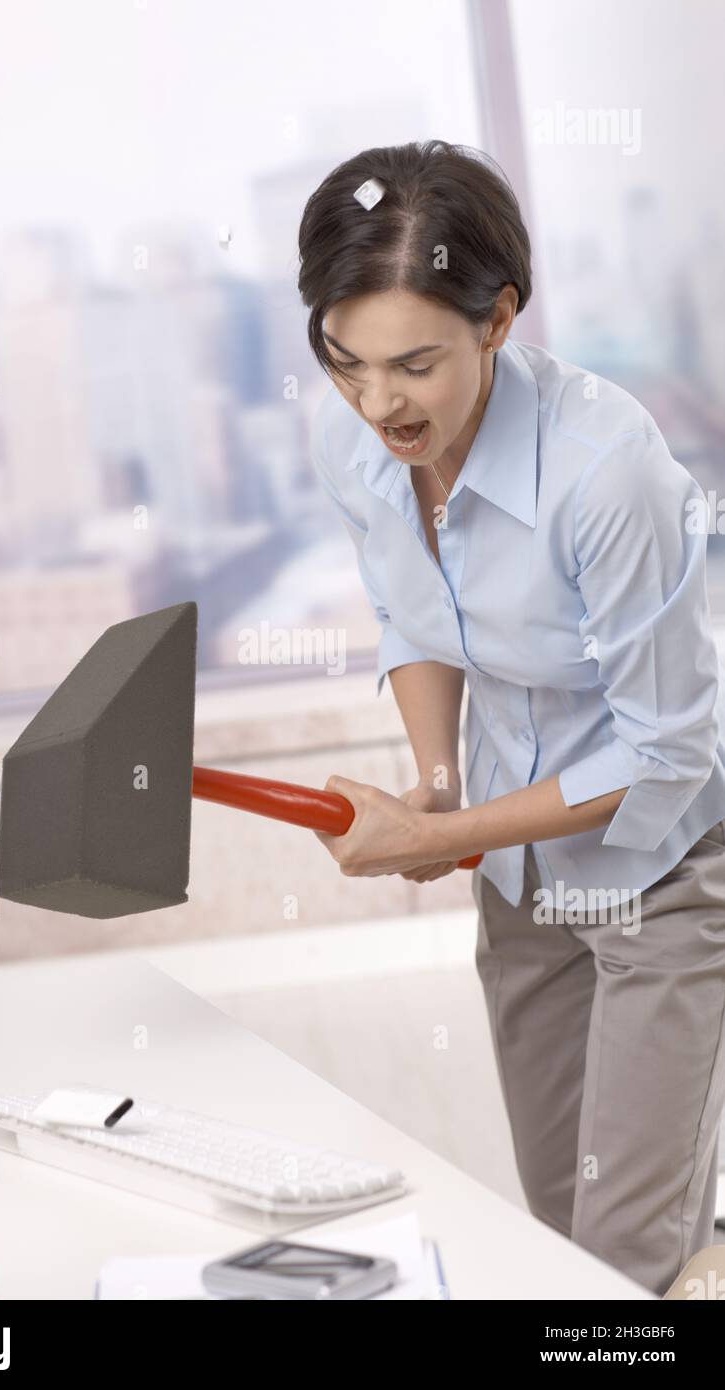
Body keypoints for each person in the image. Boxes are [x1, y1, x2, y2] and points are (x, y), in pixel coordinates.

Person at [297, 138, 725, 1297]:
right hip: (522, 868)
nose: (378, 401)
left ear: (498, 319)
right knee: (557, 1233)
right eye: (344, 359)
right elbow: (414, 615)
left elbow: (665, 751)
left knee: (624, 1255)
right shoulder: (348, 437)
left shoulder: (603, 471)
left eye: (414, 365)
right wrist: (439, 787)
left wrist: (439, 835)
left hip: (664, 859)